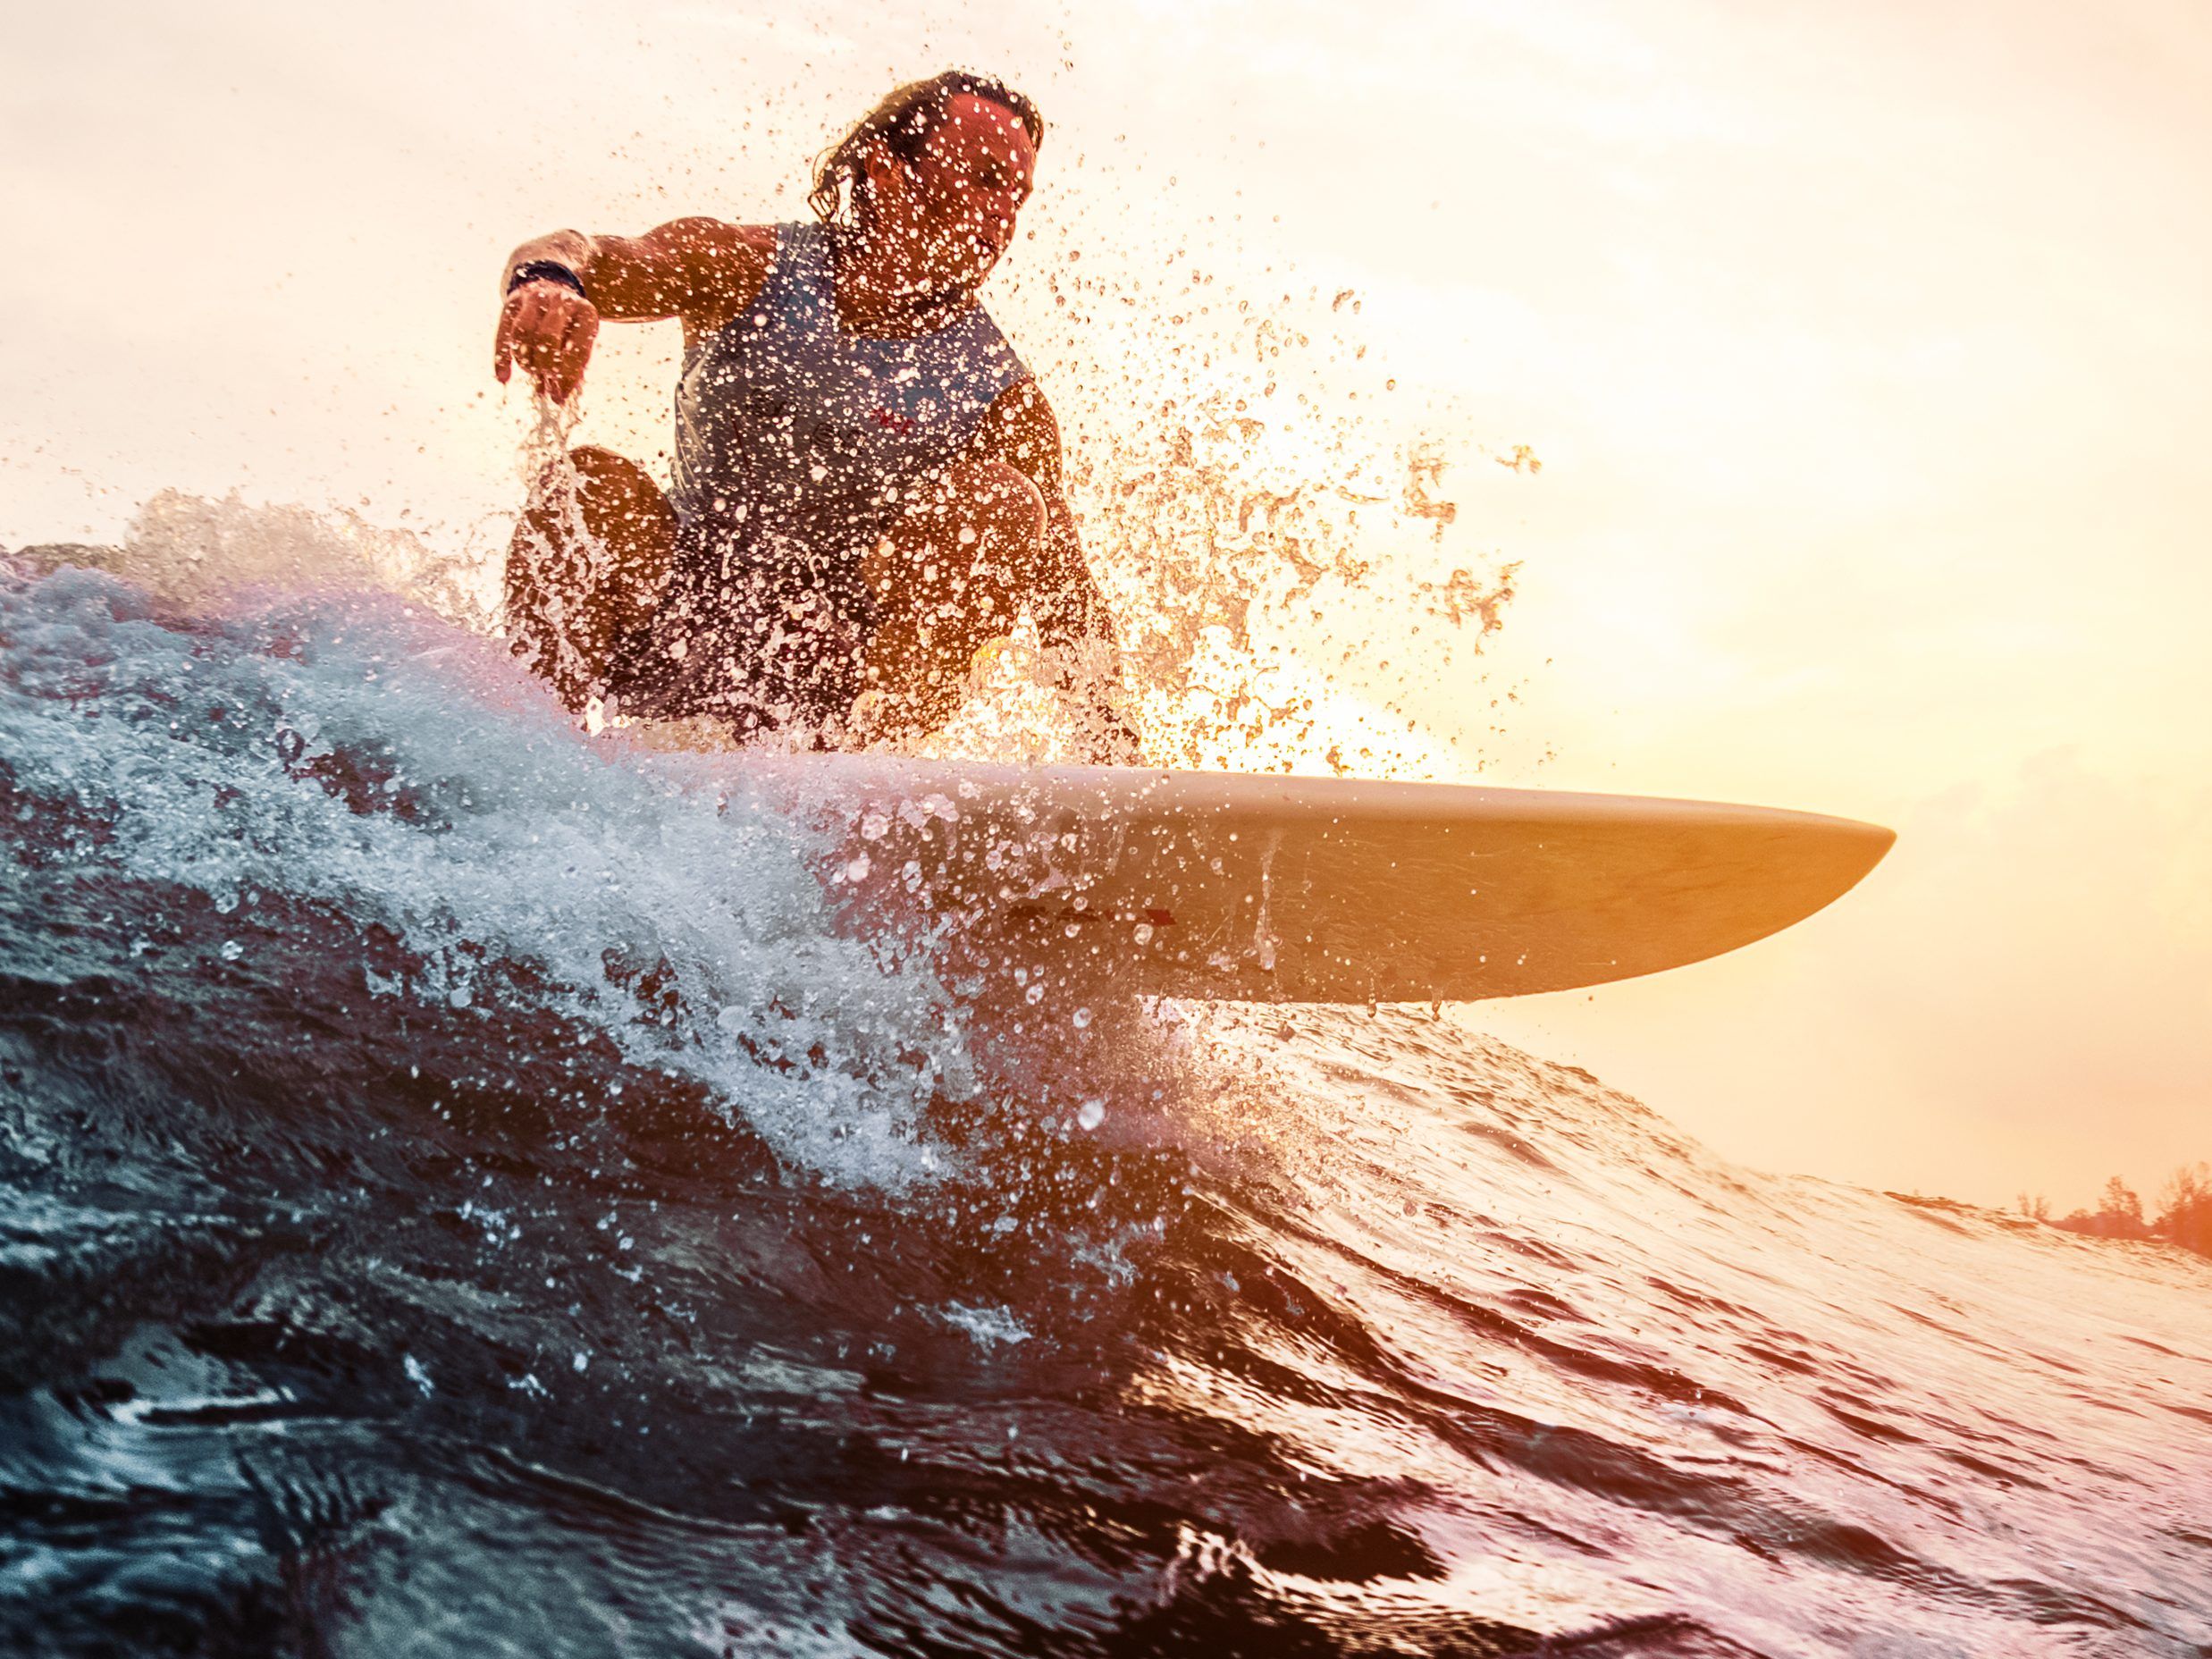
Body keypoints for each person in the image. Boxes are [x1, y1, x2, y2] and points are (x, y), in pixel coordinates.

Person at [492, 70, 1139, 762]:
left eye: (1016, 196)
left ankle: (856, 791)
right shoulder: (744, 266)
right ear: (886, 171)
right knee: (589, 483)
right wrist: (550, 284)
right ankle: (529, 765)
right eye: (983, 178)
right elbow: (589, 254)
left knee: (1004, 503)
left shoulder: (1000, 396)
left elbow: (1071, 609)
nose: (1003, 216)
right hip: (676, 629)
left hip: (834, 689)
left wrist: (1125, 773)